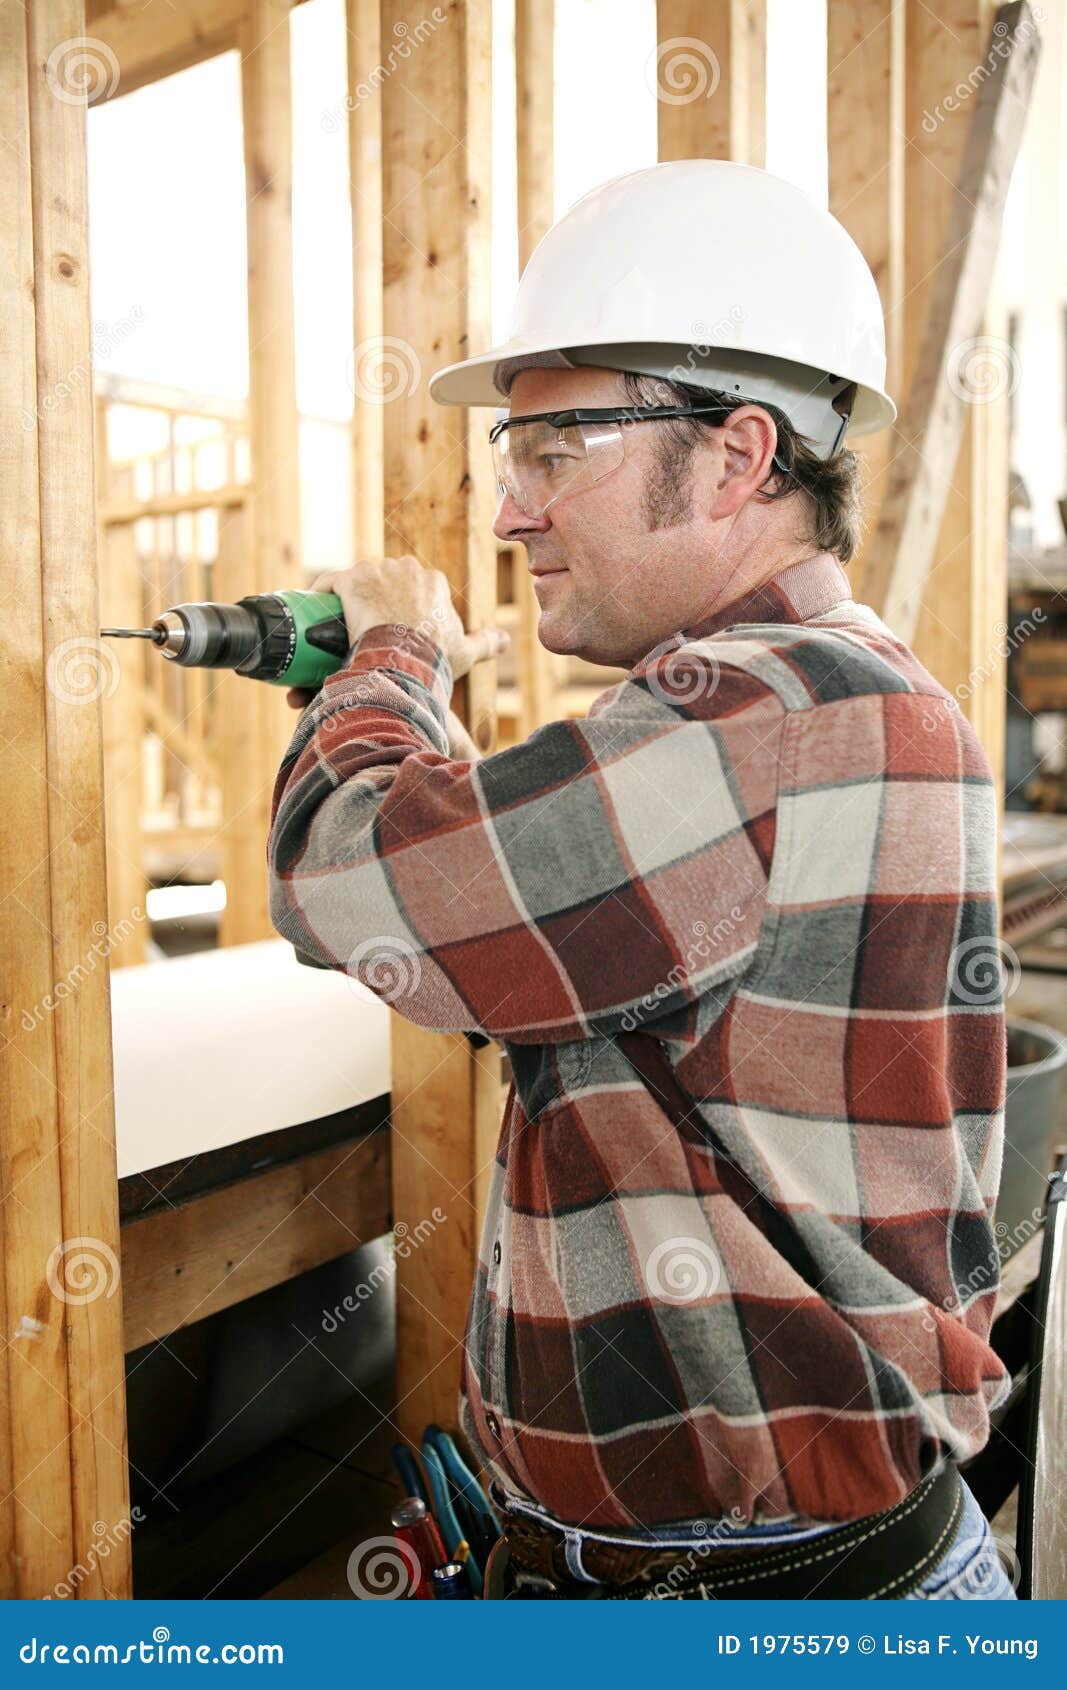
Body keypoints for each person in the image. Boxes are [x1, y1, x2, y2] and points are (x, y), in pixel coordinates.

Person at [268, 160, 1015, 1599]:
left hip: (747, 1600)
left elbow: (344, 872)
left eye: (555, 451)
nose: (508, 511)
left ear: (739, 457)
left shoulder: (756, 720)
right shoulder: (845, 694)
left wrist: (392, 654)